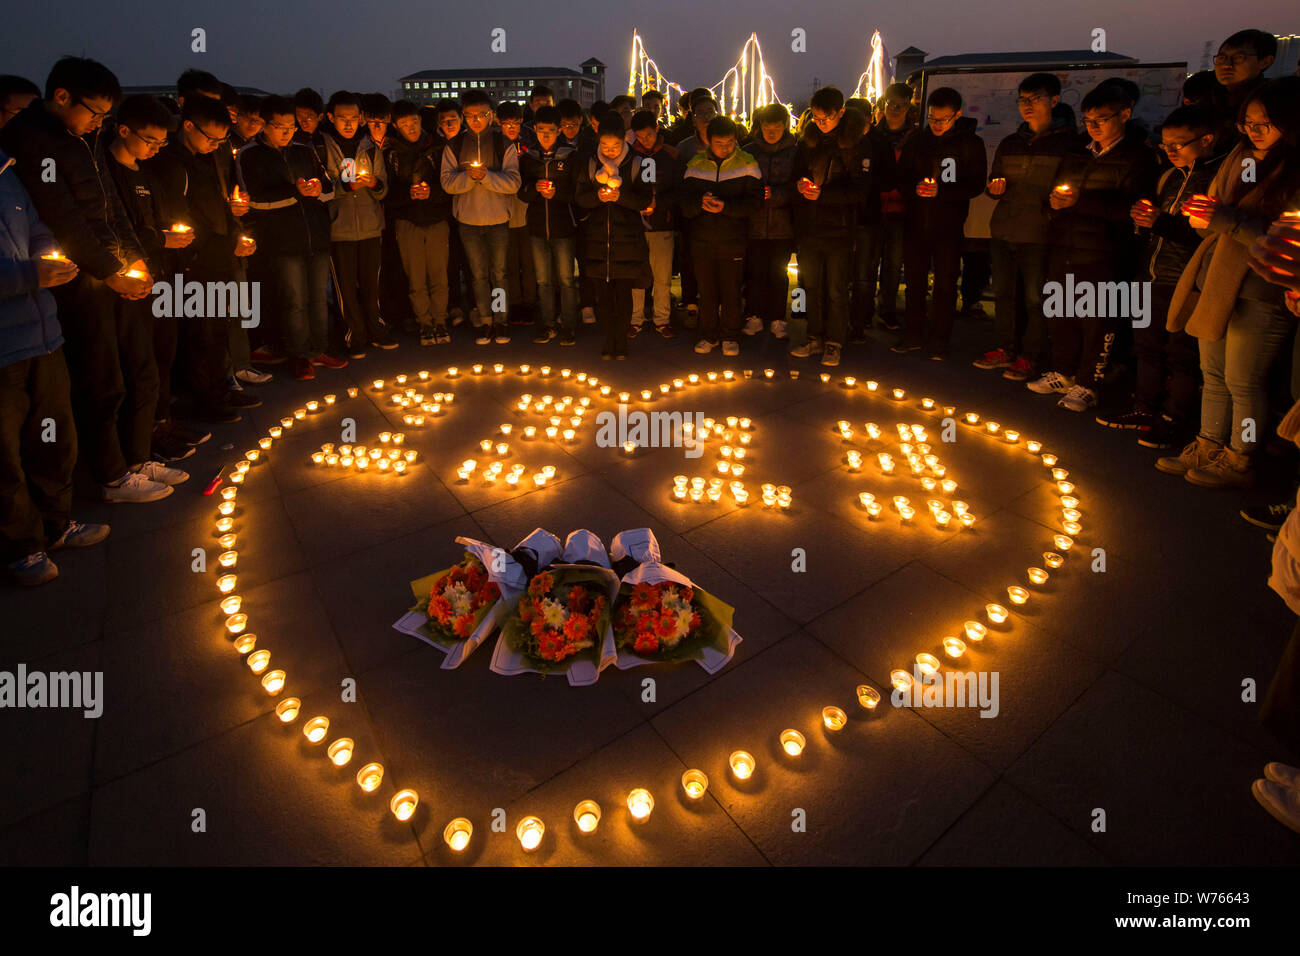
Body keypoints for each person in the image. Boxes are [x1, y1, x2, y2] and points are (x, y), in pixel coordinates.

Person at [0, 56, 175, 503]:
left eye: (104, 116)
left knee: (139, 365)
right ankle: (111, 476)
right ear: (61, 97)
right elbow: (64, 218)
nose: (98, 122)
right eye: (93, 112)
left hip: (113, 271)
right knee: (101, 378)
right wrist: (110, 272)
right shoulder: (32, 140)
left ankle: (137, 456)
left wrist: (134, 260)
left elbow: (110, 208)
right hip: (81, 278)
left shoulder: (83, 138)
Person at [1158, 78, 1300, 488]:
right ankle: (1208, 444)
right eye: (1248, 122)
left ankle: (1240, 457)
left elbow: (1287, 238)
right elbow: (1215, 221)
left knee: (1244, 379)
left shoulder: (1294, 170)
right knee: (1214, 371)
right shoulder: (1238, 158)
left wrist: (1225, 220)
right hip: (1218, 278)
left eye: (1265, 123)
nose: (1253, 131)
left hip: (1262, 286)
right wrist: (1203, 217)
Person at [1, 147, 112, 585]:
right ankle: (21, 547)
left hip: (42, 333)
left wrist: (48, 256)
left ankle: (55, 523)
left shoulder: (9, 175)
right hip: (4, 344)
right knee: (5, 453)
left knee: (53, 434)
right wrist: (29, 276)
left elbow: (40, 229)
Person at [1095, 106, 1224, 447]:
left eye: (1179, 144)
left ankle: (1174, 418)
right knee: (1146, 347)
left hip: (1186, 279)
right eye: (1166, 143)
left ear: (1207, 140)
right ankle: (1144, 407)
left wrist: (1161, 223)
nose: (1170, 150)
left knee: (1181, 352)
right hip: (1149, 274)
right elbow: (1153, 222)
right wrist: (1142, 221)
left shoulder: (1216, 180)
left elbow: (1208, 234)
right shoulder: (1168, 177)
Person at [1029, 83, 1158, 411]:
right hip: (1066, 244)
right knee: (1061, 312)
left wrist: (1080, 202)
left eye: (1102, 119)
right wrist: (1053, 207)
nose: (1094, 126)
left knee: (1097, 318)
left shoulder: (1138, 157)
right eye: (1088, 120)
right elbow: (1054, 193)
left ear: (1125, 115)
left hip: (1106, 251)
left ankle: (1089, 382)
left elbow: (1135, 209)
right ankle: (1064, 371)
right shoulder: (1077, 151)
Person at [104, 95, 194, 467]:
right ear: (124, 130)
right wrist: (160, 239)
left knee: (163, 352)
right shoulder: (106, 174)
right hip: (129, 284)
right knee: (138, 364)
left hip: (162, 275)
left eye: (161, 144)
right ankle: (141, 442)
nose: (156, 150)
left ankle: (162, 423)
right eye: (150, 141)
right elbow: (117, 228)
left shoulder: (146, 171)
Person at [975, 73, 1074, 382]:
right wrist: (995, 188)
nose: (1027, 106)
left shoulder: (1069, 144)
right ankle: (1005, 348)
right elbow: (994, 182)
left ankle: (1031, 355)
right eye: (1023, 100)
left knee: (1035, 298)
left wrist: (1058, 204)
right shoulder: (1010, 142)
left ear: (1054, 100)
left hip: (1041, 233)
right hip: (1005, 228)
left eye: (1035, 100)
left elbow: (1071, 190)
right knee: (1004, 293)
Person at [239, 94, 335, 381]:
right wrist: (295, 192)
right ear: (264, 126)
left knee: (318, 297)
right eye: (279, 126)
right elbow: (253, 201)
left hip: (316, 236)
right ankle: (298, 354)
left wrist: (318, 188)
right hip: (283, 241)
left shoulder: (305, 151)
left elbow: (330, 187)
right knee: (293, 299)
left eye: (291, 126)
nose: (287, 132)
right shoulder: (250, 155)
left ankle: (318, 348)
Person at [894, 86, 986, 361]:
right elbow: (901, 177)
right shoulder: (917, 141)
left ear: (956, 115)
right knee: (914, 281)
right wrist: (914, 189)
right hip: (915, 222)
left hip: (948, 225)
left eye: (942, 119)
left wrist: (942, 192)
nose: (936, 124)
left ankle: (940, 338)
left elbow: (975, 184)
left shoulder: (969, 144)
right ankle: (913, 334)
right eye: (932, 118)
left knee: (946, 283)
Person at [790, 87, 872, 367]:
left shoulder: (855, 145)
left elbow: (861, 191)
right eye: (816, 118)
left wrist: (824, 195)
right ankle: (814, 337)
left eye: (826, 118)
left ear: (841, 113)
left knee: (837, 288)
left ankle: (835, 341)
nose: (821, 123)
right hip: (809, 226)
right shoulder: (807, 142)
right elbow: (796, 175)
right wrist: (801, 185)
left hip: (839, 228)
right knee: (811, 286)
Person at [440, 90, 520, 345]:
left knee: (499, 273)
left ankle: (502, 320)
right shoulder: (453, 145)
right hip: (469, 222)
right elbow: (447, 183)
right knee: (478, 274)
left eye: (482, 115)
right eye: (471, 115)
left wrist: (486, 177)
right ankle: (485, 320)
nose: (476, 120)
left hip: (498, 219)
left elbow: (514, 182)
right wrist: (469, 178)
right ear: (464, 117)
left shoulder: (502, 144)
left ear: (491, 115)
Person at [680, 116, 762, 356]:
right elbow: (683, 203)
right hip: (702, 239)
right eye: (719, 143)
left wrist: (726, 207)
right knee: (706, 291)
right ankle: (708, 334)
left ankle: (730, 335)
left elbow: (755, 202)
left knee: (731, 290)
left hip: (733, 239)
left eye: (729, 142)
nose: (725, 147)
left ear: (736, 140)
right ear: (708, 141)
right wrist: (699, 203)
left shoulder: (747, 163)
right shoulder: (696, 164)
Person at [319, 91, 393, 357]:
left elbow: (383, 187)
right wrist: (345, 186)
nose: (348, 124)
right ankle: (353, 336)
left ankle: (376, 329)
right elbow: (321, 189)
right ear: (331, 118)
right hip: (339, 229)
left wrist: (372, 183)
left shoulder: (370, 148)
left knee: (371, 283)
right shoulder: (321, 147)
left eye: (353, 118)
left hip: (371, 226)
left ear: (361, 118)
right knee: (345, 287)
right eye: (342, 118)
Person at [574, 116, 651, 359]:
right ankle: (609, 340)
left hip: (628, 239)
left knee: (624, 294)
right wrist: (598, 197)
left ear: (624, 140)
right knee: (604, 296)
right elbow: (579, 198)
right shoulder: (589, 164)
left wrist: (620, 198)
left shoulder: (642, 163)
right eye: (605, 146)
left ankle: (622, 340)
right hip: (598, 240)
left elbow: (646, 199)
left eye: (615, 146)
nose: (609, 151)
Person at [385, 99, 452, 346]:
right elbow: (386, 192)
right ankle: (424, 322)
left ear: (421, 121)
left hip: (436, 219)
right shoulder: (390, 152)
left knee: (438, 275)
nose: (411, 128)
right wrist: (408, 195)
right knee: (416, 277)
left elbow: (450, 185)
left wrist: (431, 193)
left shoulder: (437, 147)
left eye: (414, 122)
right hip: (408, 220)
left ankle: (440, 320)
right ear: (395, 125)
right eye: (404, 124)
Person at [517, 105, 579, 345]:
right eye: (541, 130)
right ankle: (548, 324)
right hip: (536, 228)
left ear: (559, 130)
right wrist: (534, 189)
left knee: (565, 280)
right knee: (543, 280)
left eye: (551, 131)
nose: (546, 135)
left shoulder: (569, 156)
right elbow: (521, 193)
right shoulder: (528, 158)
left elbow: (576, 193)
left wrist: (558, 194)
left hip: (563, 227)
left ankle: (569, 326)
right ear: (534, 129)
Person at [863, 83, 916, 334]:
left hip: (900, 211)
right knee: (867, 263)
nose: (894, 109)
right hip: (873, 209)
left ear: (909, 106)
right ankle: (862, 311)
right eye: (890, 104)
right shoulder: (873, 136)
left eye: (900, 105)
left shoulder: (915, 139)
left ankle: (887, 309)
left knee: (894, 265)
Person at [745, 102, 798, 341]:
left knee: (778, 272)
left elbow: (799, 186)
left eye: (776, 127)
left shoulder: (795, 152)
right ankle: (754, 315)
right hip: (754, 223)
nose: (771, 132)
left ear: (784, 126)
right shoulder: (749, 152)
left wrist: (779, 195)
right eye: (767, 127)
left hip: (782, 224)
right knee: (755, 272)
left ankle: (778, 318)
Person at [628, 109, 679, 340]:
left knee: (662, 276)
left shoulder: (671, 156)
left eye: (648, 135)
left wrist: (659, 203)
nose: (644, 140)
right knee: (636, 275)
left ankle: (662, 319)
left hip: (662, 223)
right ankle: (635, 318)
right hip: (636, 225)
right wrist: (638, 203)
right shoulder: (630, 155)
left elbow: (681, 191)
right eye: (639, 136)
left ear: (657, 129)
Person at [496, 101, 538, 326]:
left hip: (526, 209)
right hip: (502, 212)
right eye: (506, 124)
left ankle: (530, 304)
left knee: (528, 261)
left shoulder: (529, 143)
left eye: (516, 123)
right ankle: (511, 305)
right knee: (507, 264)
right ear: (498, 123)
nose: (511, 128)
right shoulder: (494, 145)